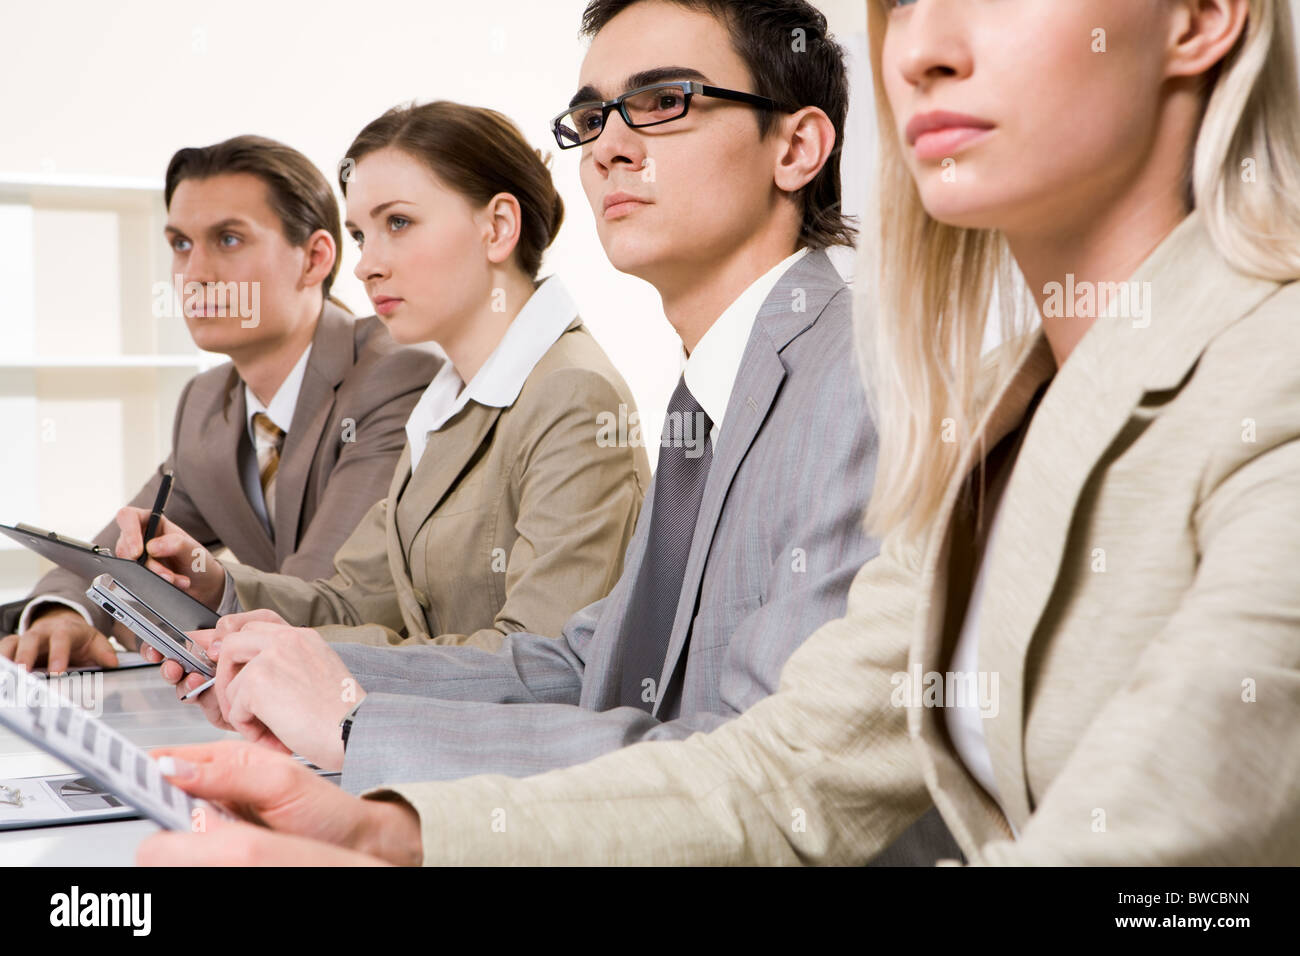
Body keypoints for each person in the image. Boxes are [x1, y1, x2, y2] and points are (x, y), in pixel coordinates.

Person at [139, 0, 1300, 866]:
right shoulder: (995, 398)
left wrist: (360, 734)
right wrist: (394, 830)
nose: (921, 48)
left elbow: (1161, 862)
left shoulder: (1252, 380)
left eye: (665, 103)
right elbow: (781, 764)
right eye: (592, 116)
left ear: (1200, 18)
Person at [117, 100, 652, 756]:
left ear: (498, 227)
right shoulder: (448, 398)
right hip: (432, 764)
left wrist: (306, 664)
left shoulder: (573, 394)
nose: (367, 265)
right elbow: (354, 604)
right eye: (364, 235)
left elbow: (545, 670)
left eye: (398, 223)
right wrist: (218, 588)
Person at [0, 135, 439, 676]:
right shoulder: (206, 403)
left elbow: (319, 600)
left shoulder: (393, 376)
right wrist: (63, 615)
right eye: (181, 244)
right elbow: (114, 555)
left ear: (315, 258)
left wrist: (131, 613)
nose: (195, 273)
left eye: (228, 239)